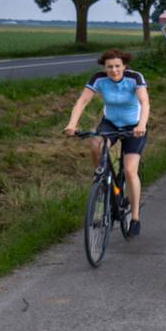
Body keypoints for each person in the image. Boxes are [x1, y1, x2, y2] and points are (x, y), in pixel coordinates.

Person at [63, 49, 150, 236]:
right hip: (110, 123)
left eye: (117, 66)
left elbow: (144, 102)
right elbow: (82, 101)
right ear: (104, 68)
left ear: (124, 66)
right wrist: (72, 124)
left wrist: (141, 125)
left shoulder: (134, 78)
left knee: (129, 170)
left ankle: (135, 218)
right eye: (109, 67)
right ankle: (103, 179)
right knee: (96, 144)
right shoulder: (98, 78)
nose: (114, 70)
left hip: (133, 127)